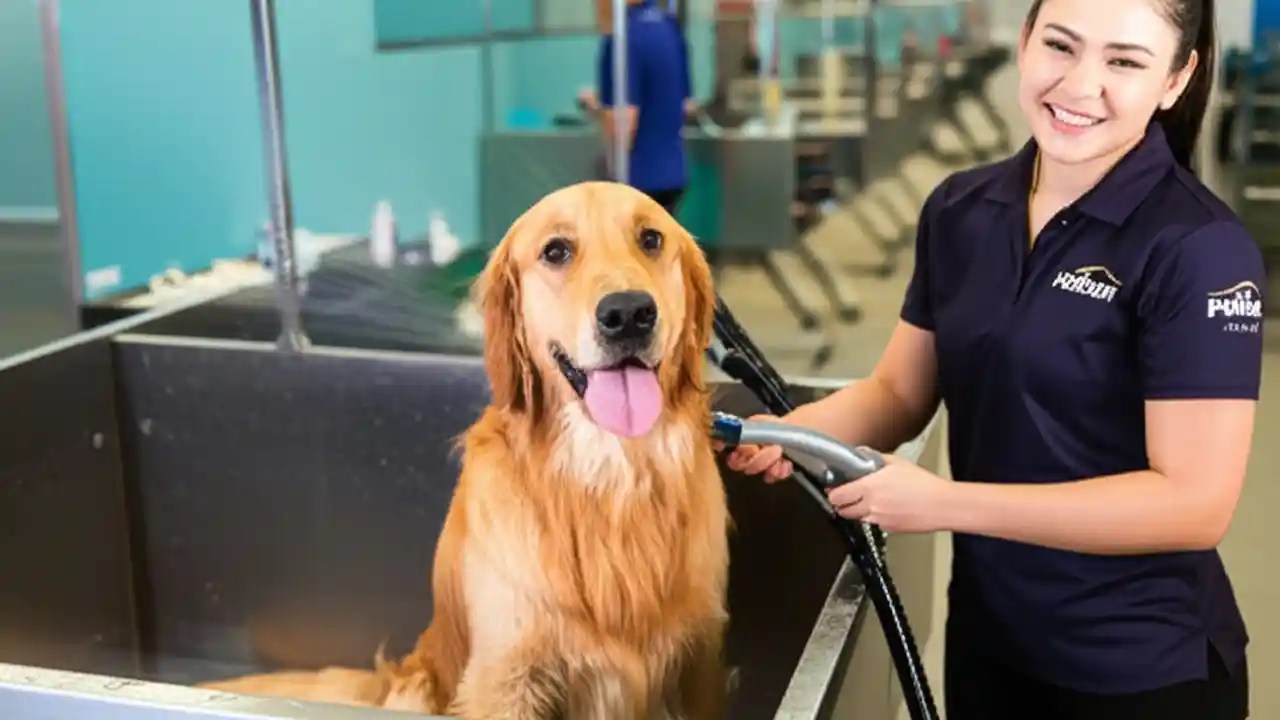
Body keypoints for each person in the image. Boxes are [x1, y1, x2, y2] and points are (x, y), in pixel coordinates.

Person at [726, 0, 1259, 718]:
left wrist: (943, 504)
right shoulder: (961, 209)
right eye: (1061, 46)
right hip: (991, 647)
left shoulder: (1198, 247)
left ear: (1176, 78)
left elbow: (1193, 504)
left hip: (1137, 672)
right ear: (1025, 42)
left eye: (1124, 61)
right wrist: (798, 434)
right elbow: (898, 392)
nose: (1079, 85)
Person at [594, 0, 694, 215]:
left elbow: (624, 120)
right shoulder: (669, 27)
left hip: (637, 181)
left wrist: (609, 171)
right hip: (673, 175)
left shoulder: (622, 40)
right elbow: (685, 104)